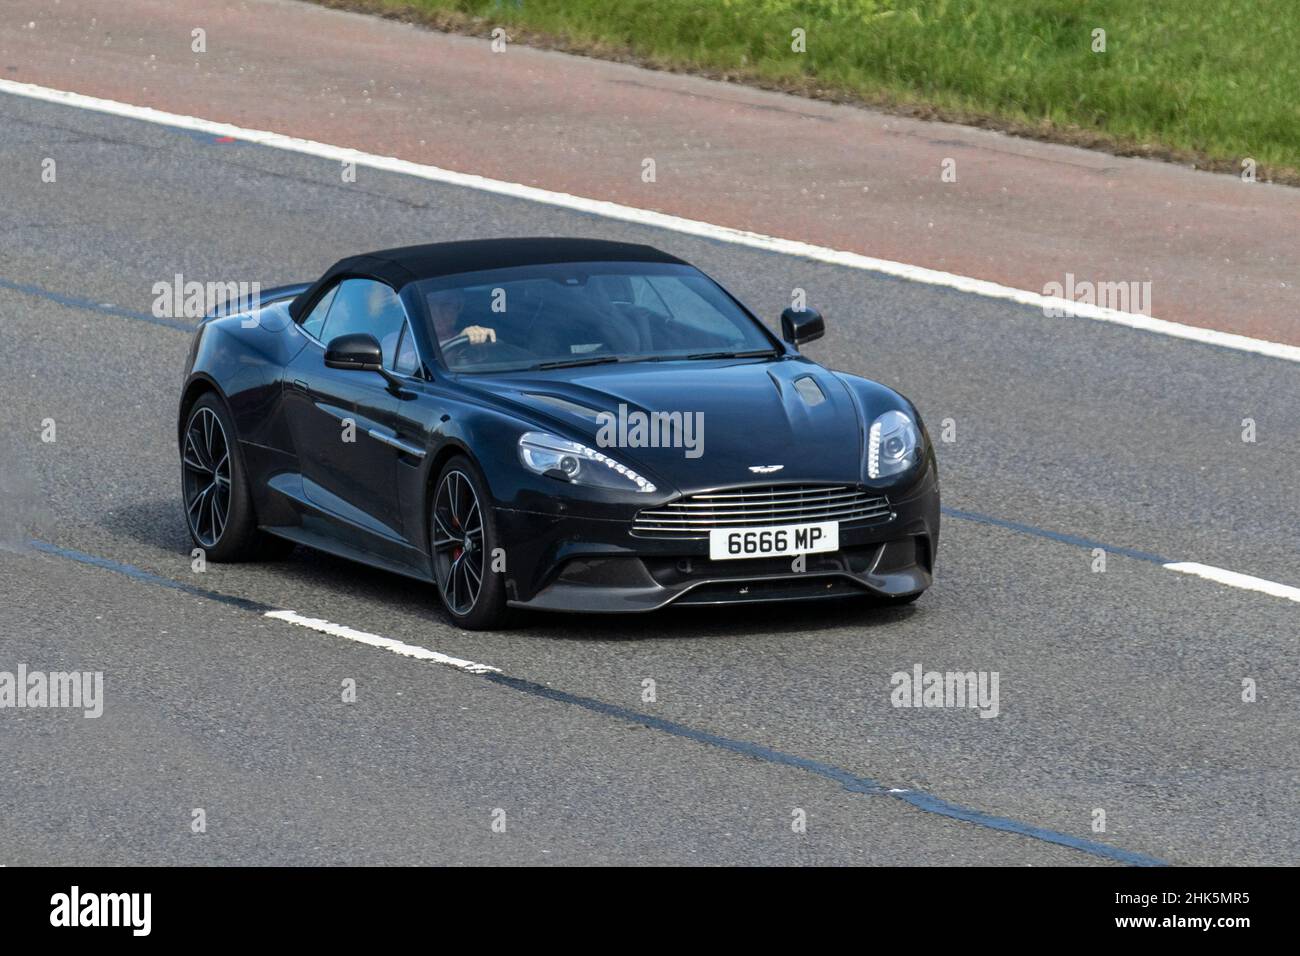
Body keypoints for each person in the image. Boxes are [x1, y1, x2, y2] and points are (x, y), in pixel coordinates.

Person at [427, 288, 497, 346]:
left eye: (446, 305)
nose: (438, 312)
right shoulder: (417, 346)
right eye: (431, 304)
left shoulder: (472, 340)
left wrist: (481, 339)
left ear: (460, 306)